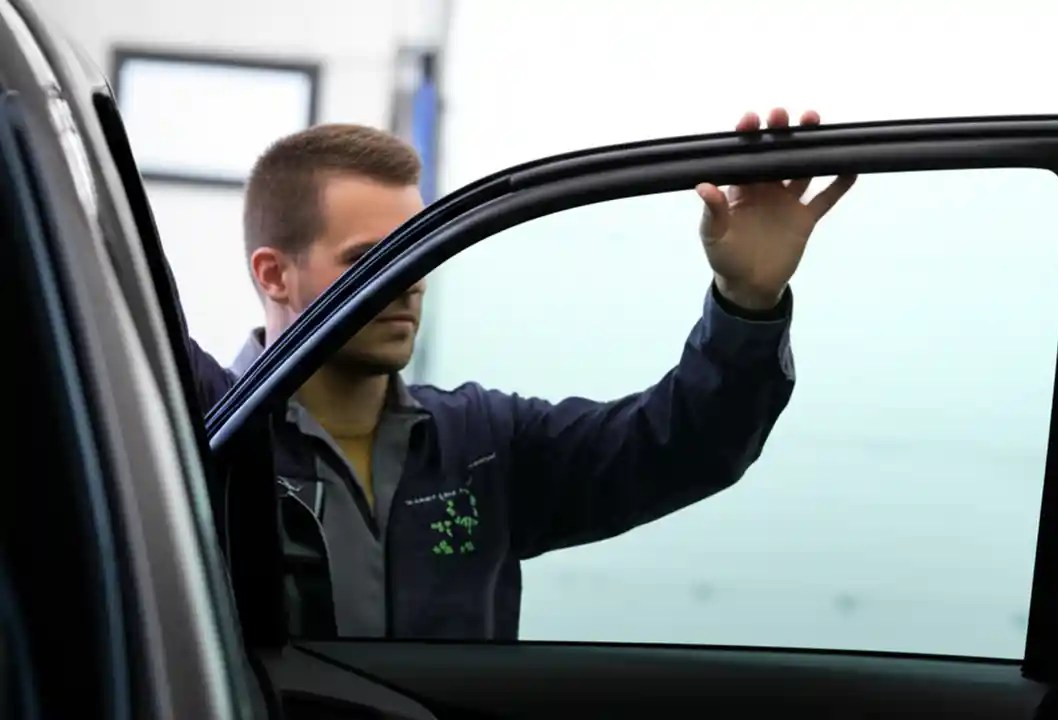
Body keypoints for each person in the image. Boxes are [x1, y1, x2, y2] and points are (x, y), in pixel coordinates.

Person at [180, 107, 855, 639]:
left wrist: (748, 303)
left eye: (415, 252)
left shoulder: (480, 443)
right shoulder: (191, 435)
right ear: (273, 273)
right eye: (368, 260)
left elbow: (684, 445)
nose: (408, 281)